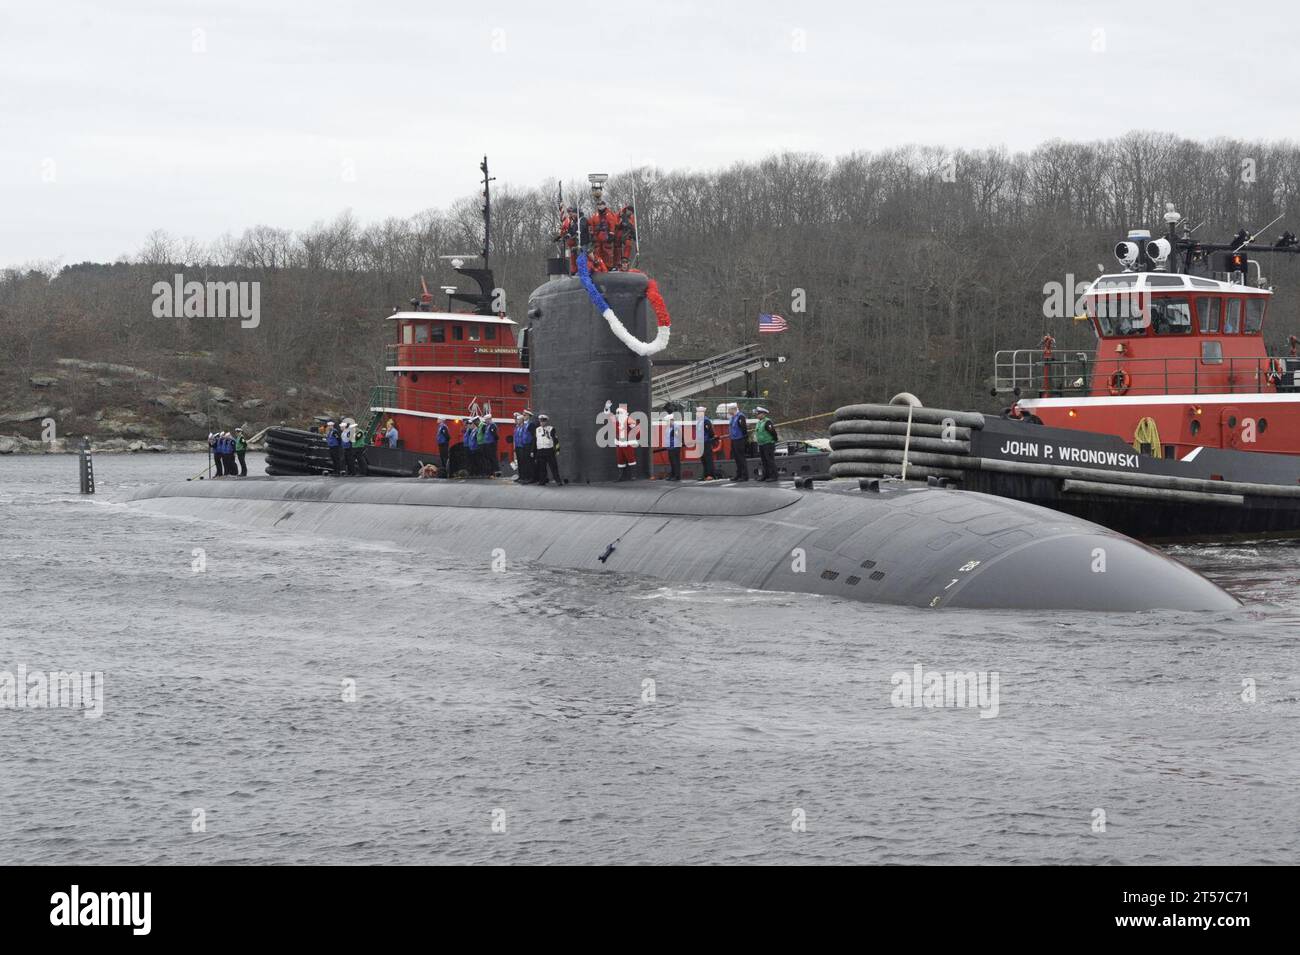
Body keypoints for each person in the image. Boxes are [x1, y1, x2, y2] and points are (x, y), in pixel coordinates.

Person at [533, 414, 561, 485]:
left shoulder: (551, 429)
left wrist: (557, 450)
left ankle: (558, 481)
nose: (542, 423)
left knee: (553, 466)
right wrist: (533, 451)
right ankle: (542, 481)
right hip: (540, 451)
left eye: (543, 421)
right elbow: (535, 441)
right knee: (542, 467)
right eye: (541, 421)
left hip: (549, 450)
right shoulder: (537, 430)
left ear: (546, 422)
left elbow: (555, 440)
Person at [755, 407, 779, 482]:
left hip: (768, 443)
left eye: (759, 414)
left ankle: (774, 476)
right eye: (757, 414)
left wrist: (774, 440)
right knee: (764, 461)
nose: (757, 415)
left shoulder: (767, 422)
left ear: (763, 414)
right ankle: (766, 475)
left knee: (770, 460)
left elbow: (773, 432)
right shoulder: (759, 422)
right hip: (761, 444)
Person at [614, 403, 637, 480]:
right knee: (620, 459)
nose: (617, 414)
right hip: (619, 443)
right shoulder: (616, 421)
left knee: (631, 458)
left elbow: (636, 429)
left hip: (627, 443)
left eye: (619, 413)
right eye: (617, 413)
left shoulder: (628, 420)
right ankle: (621, 476)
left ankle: (633, 475)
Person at [729, 404, 749, 482]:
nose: (728, 412)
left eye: (729, 410)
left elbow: (744, 428)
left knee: (741, 458)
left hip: (739, 439)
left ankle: (744, 476)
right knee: (737, 458)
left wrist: (744, 440)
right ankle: (739, 474)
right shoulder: (733, 417)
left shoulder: (740, 417)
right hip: (734, 439)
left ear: (733, 409)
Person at [513, 411, 535, 483]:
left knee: (528, 463)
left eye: (525, 415)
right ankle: (522, 477)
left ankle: (529, 478)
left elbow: (533, 437)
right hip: (522, 446)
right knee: (522, 462)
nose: (524, 416)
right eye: (524, 415)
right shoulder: (522, 426)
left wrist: (532, 449)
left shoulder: (530, 424)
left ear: (529, 416)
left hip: (527, 445)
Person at [695, 405, 716, 480]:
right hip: (700, 442)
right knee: (703, 459)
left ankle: (710, 474)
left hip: (706, 442)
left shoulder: (706, 420)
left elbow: (710, 432)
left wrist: (709, 439)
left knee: (708, 459)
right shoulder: (699, 421)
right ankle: (705, 474)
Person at [663, 412, 681, 481]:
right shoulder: (668, 428)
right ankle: (673, 474)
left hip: (675, 447)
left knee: (675, 462)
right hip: (670, 447)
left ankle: (676, 476)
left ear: (671, 420)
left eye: (667, 421)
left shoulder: (676, 427)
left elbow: (678, 436)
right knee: (672, 462)